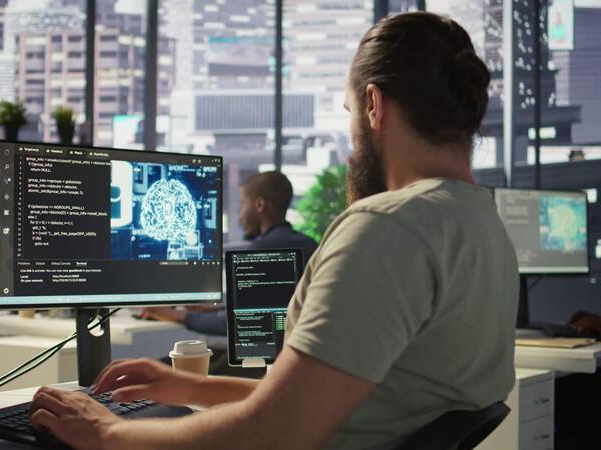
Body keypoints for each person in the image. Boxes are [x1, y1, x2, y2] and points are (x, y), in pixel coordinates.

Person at [28, 12, 519, 450]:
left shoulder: (386, 228)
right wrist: (193, 388)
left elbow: (272, 434)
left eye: (350, 115)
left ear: (374, 104)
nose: (351, 143)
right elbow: (334, 401)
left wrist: (106, 433)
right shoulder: (481, 225)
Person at [139, 170, 318, 336]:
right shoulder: (309, 245)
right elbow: (275, 307)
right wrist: (213, 309)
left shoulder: (262, 250)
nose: (240, 214)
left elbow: (236, 322)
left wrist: (175, 315)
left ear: (259, 205)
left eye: (242, 204)